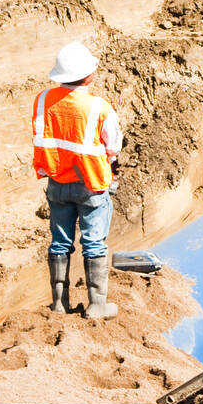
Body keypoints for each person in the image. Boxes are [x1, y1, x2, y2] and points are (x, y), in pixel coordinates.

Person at [32, 42, 123, 319]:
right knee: (94, 243)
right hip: (90, 184)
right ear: (88, 75)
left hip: (57, 182)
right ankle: (97, 305)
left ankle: (59, 304)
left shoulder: (43, 99)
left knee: (59, 242)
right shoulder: (98, 107)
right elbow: (113, 145)